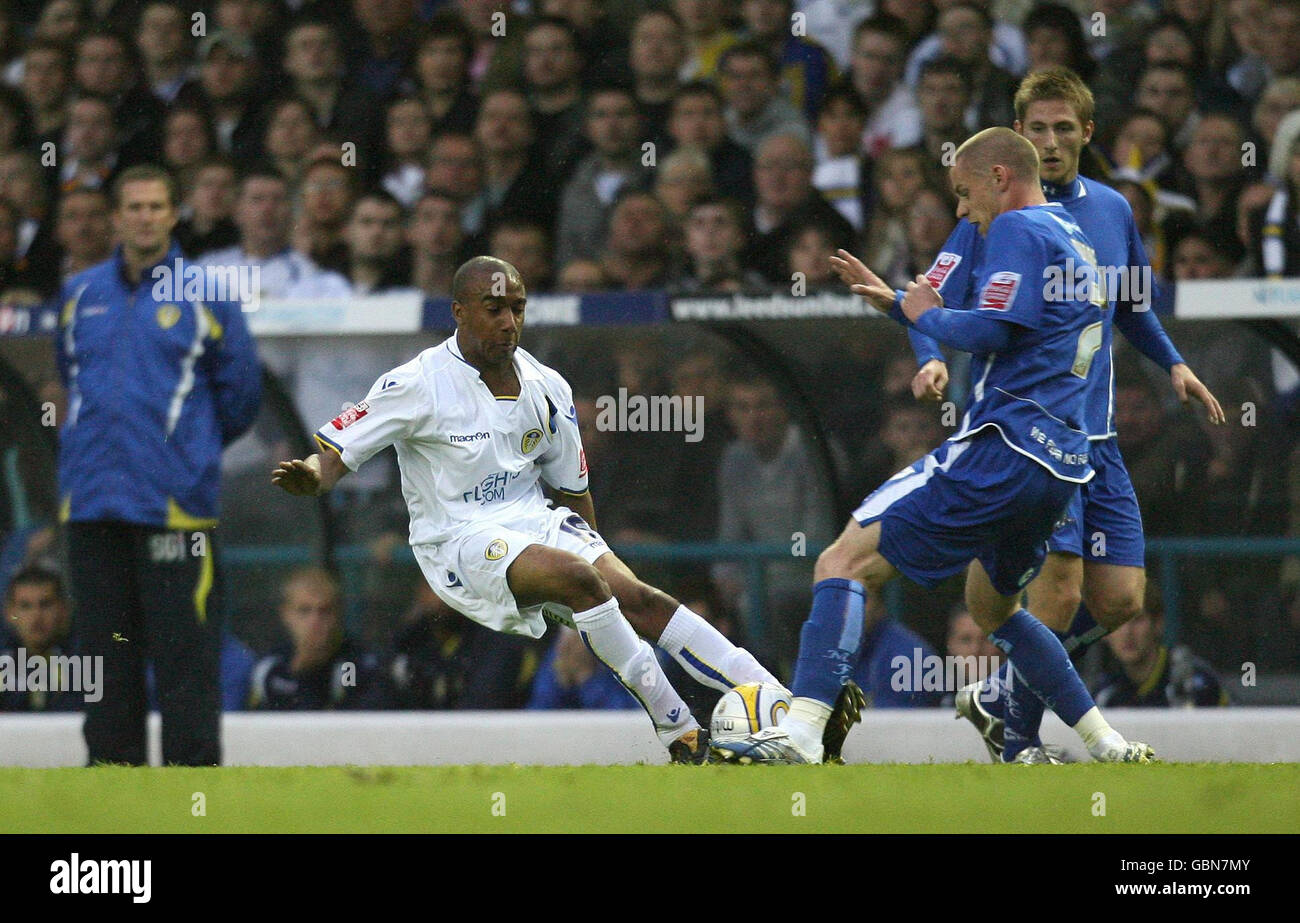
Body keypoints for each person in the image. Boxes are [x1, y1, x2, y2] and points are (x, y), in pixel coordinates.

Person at [712, 127, 1154, 766]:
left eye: (963, 191)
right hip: (1061, 465)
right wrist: (906, 309)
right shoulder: (1075, 238)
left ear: (999, 177)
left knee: (841, 561)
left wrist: (915, 312)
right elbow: (983, 316)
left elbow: (994, 327)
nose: (960, 209)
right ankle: (1105, 742)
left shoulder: (1014, 229)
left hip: (1004, 445)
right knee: (993, 608)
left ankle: (801, 736)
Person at [272, 256, 782, 762]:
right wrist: (315, 475)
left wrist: (597, 580)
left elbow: (573, 490)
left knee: (638, 597)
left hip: (534, 519)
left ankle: (780, 701)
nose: (508, 322)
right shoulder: (417, 382)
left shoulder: (547, 386)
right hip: (459, 542)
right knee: (579, 578)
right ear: (459, 312)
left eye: (517, 308)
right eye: (493, 308)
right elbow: (340, 450)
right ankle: (681, 731)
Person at [899, 69, 1224, 765]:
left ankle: (1001, 692)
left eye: (1062, 128)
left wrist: (1174, 363)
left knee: (1122, 601)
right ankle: (1018, 745)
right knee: (1058, 588)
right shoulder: (997, 210)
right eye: (1035, 129)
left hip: (1098, 438)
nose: (1048, 141)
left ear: (1088, 132)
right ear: (1016, 135)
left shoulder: (1111, 210)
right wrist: (928, 354)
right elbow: (927, 291)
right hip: (1034, 433)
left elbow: (1133, 307)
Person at [57, 164, 262, 765]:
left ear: (173, 215)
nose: (145, 217)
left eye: (156, 207)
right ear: (116, 216)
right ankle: (113, 799)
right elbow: (72, 382)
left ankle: (188, 805)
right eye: (134, 207)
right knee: (104, 663)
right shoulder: (80, 294)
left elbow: (241, 397)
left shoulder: (209, 293)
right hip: (92, 506)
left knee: (187, 665)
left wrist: (183, 456)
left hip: (175, 512)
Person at [248, 567, 392, 710]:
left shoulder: (354, 665)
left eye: (325, 611)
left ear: (338, 614)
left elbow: (353, 721)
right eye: (304, 610)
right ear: (286, 614)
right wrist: (300, 671)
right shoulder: (270, 667)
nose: (315, 621)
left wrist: (308, 674)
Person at [1093, 583, 1228, 708]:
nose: (1127, 632)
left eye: (1138, 620)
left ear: (1158, 623)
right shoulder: (1104, 694)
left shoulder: (1195, 683)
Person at [0, 564, 81, 713]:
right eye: (25, 606)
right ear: (9, 613)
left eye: (45, 604)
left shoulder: (84, 667)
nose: (36, 616)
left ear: (63, 609)